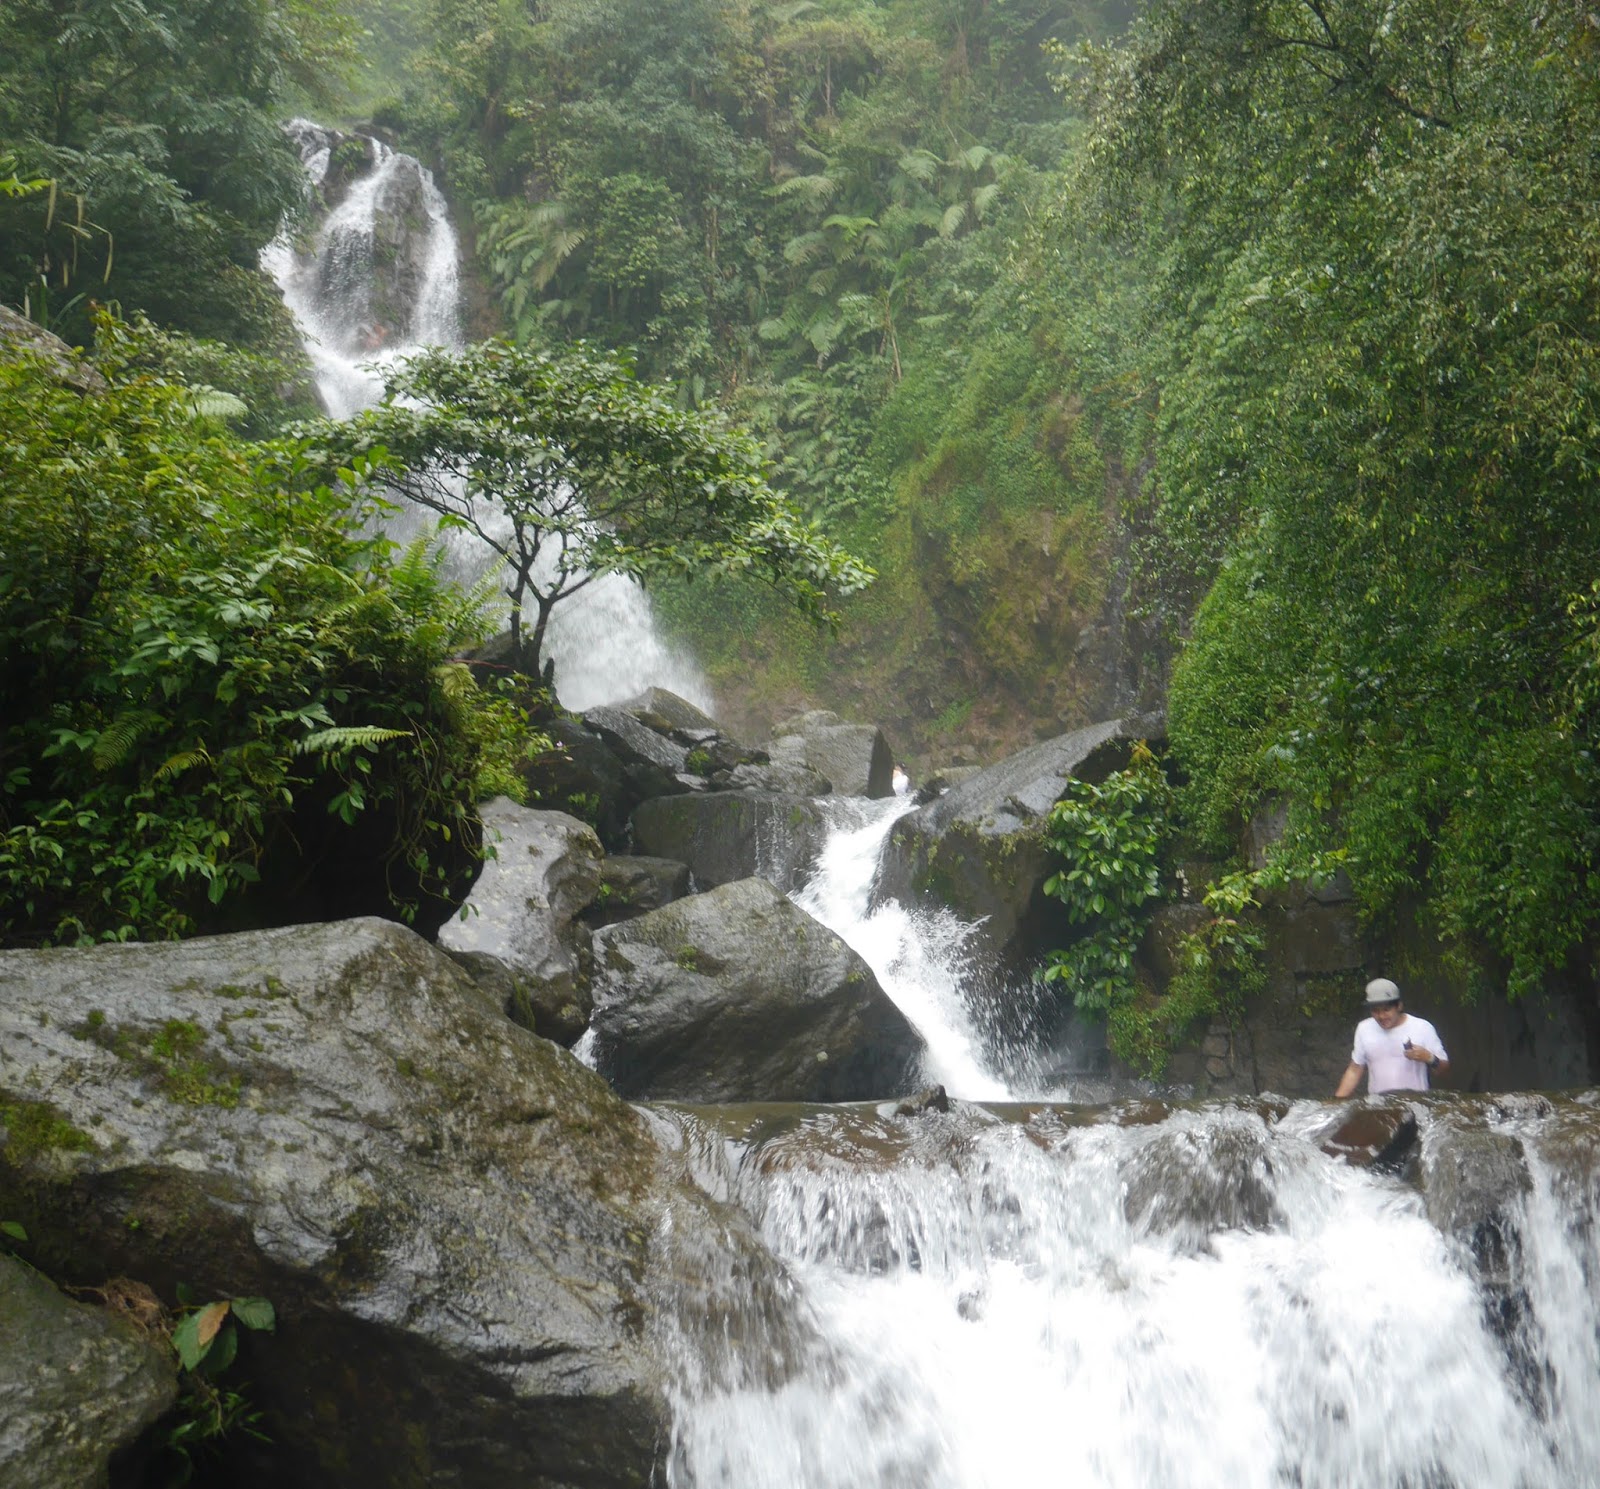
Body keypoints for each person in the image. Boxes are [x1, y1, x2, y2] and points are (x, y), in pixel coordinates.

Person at [1334, 978, 1449, 1097]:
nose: (1381, 1016)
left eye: (1386, 1010)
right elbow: (1355, 1069)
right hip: (1378, 1106)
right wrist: (1336, 1102)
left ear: (1399, 1006)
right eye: (1375, 1011)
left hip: (1415, 1104)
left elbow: (1444, 1071)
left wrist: (1429, 1057)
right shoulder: (1364, 1028)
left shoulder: (1422, 1027)